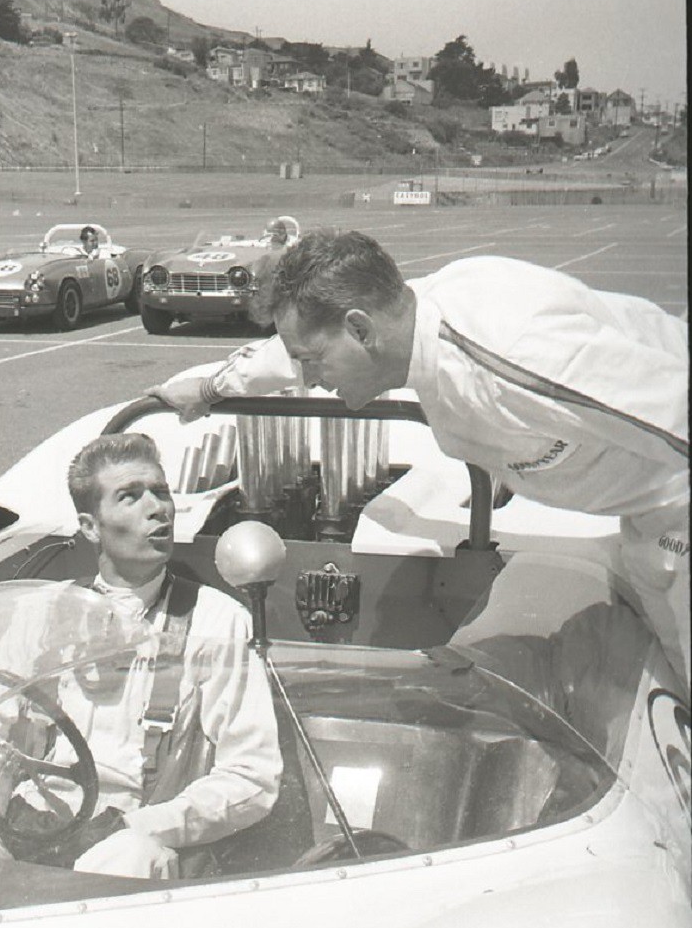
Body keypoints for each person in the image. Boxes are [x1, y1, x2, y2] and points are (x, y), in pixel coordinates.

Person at [149, 229, 689, 692]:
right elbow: (292, 350)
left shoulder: (510, 352)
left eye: (314, 363)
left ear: (361, 330)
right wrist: (211, 386)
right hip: (645, 512)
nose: (310, 379)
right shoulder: (406, 312)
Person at [0, 432, 282, 881]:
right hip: (19, 831)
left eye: (160, 492)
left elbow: (253, 776)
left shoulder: (217, 620)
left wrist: (139, 826)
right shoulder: (41, 611)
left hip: (124, 842)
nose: (157, 509)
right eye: (130, 497)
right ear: (90, 526)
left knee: (129, 858)